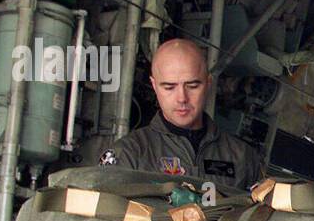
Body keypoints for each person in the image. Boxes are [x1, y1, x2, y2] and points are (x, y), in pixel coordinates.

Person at [100, 38, 264, 189]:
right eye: (169, 87)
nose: (182, 98)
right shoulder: (129, 155)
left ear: (208, 83)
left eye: (192, 86)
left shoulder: (243, 157)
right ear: (154, 85)